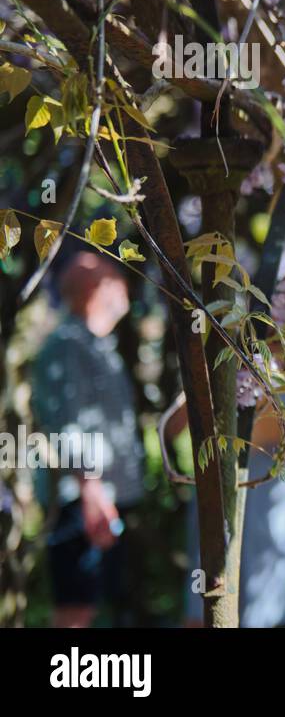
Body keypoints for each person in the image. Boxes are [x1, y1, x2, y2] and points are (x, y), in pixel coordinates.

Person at [30, 251, 145, 627]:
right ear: (91, 290)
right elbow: (68, 424)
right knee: (76, 610)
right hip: (85, 504)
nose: (124, 283)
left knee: (90, 605)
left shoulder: (94, 345)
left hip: (98, 500)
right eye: (114, 275)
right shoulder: (67, 345)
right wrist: (91, 490)